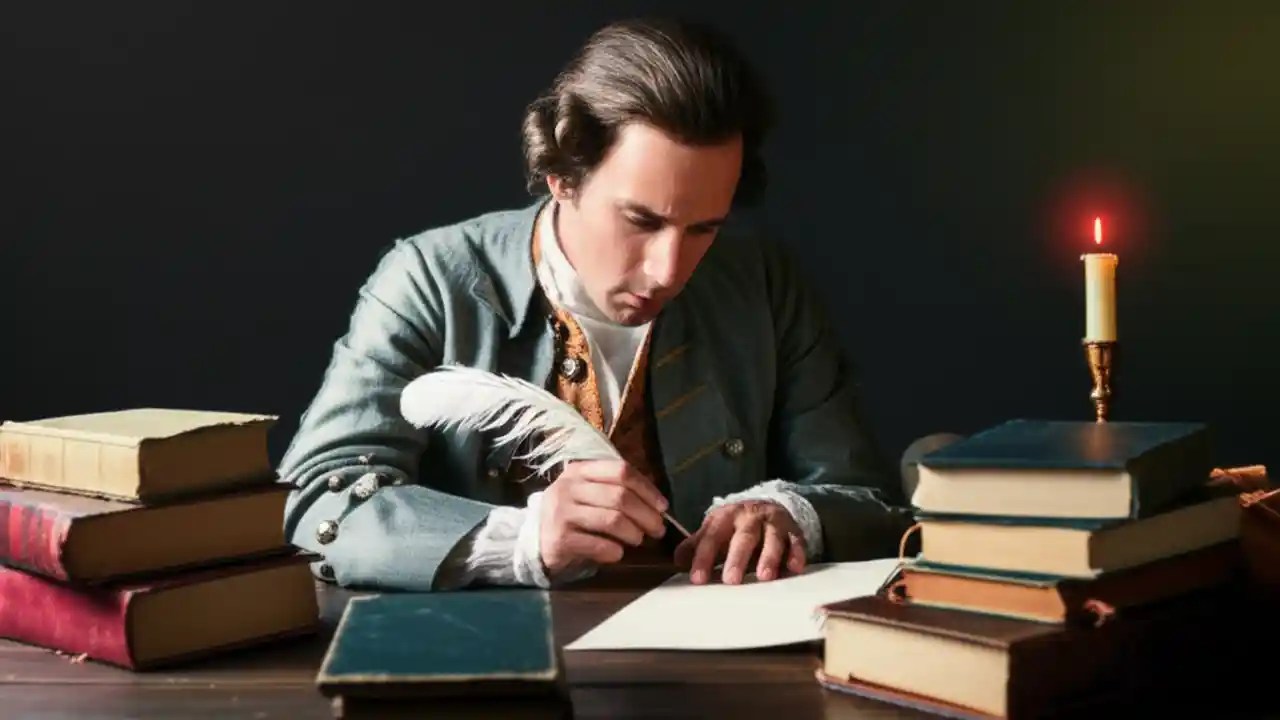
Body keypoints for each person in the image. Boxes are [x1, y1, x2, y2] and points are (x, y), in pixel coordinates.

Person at [276, 17, 920, 593]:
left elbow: (866, 496)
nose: (670, 270)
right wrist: (517, 541)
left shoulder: (763, 282)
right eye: (641, 219)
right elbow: (315, 505)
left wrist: (789, 512)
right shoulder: (429, 278)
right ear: (562, 177)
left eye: (704, 228)